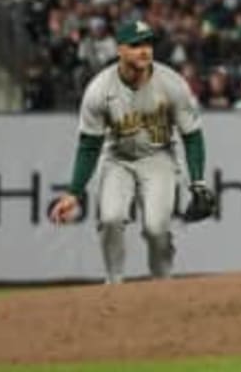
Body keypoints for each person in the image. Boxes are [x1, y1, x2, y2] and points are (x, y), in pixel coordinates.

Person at [47, 19, 216, 285]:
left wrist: (198, 181)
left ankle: (163, 285)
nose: (144, 50)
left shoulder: (171, 83)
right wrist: (74, 192)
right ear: (120, 50)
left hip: (158, 157)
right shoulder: (99, 90)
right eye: (136, 45)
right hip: (117, 159)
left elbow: (192, 136)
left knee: (156, 228)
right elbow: (90, 145)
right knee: (111, 219)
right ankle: (114, 286)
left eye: (147, 43)